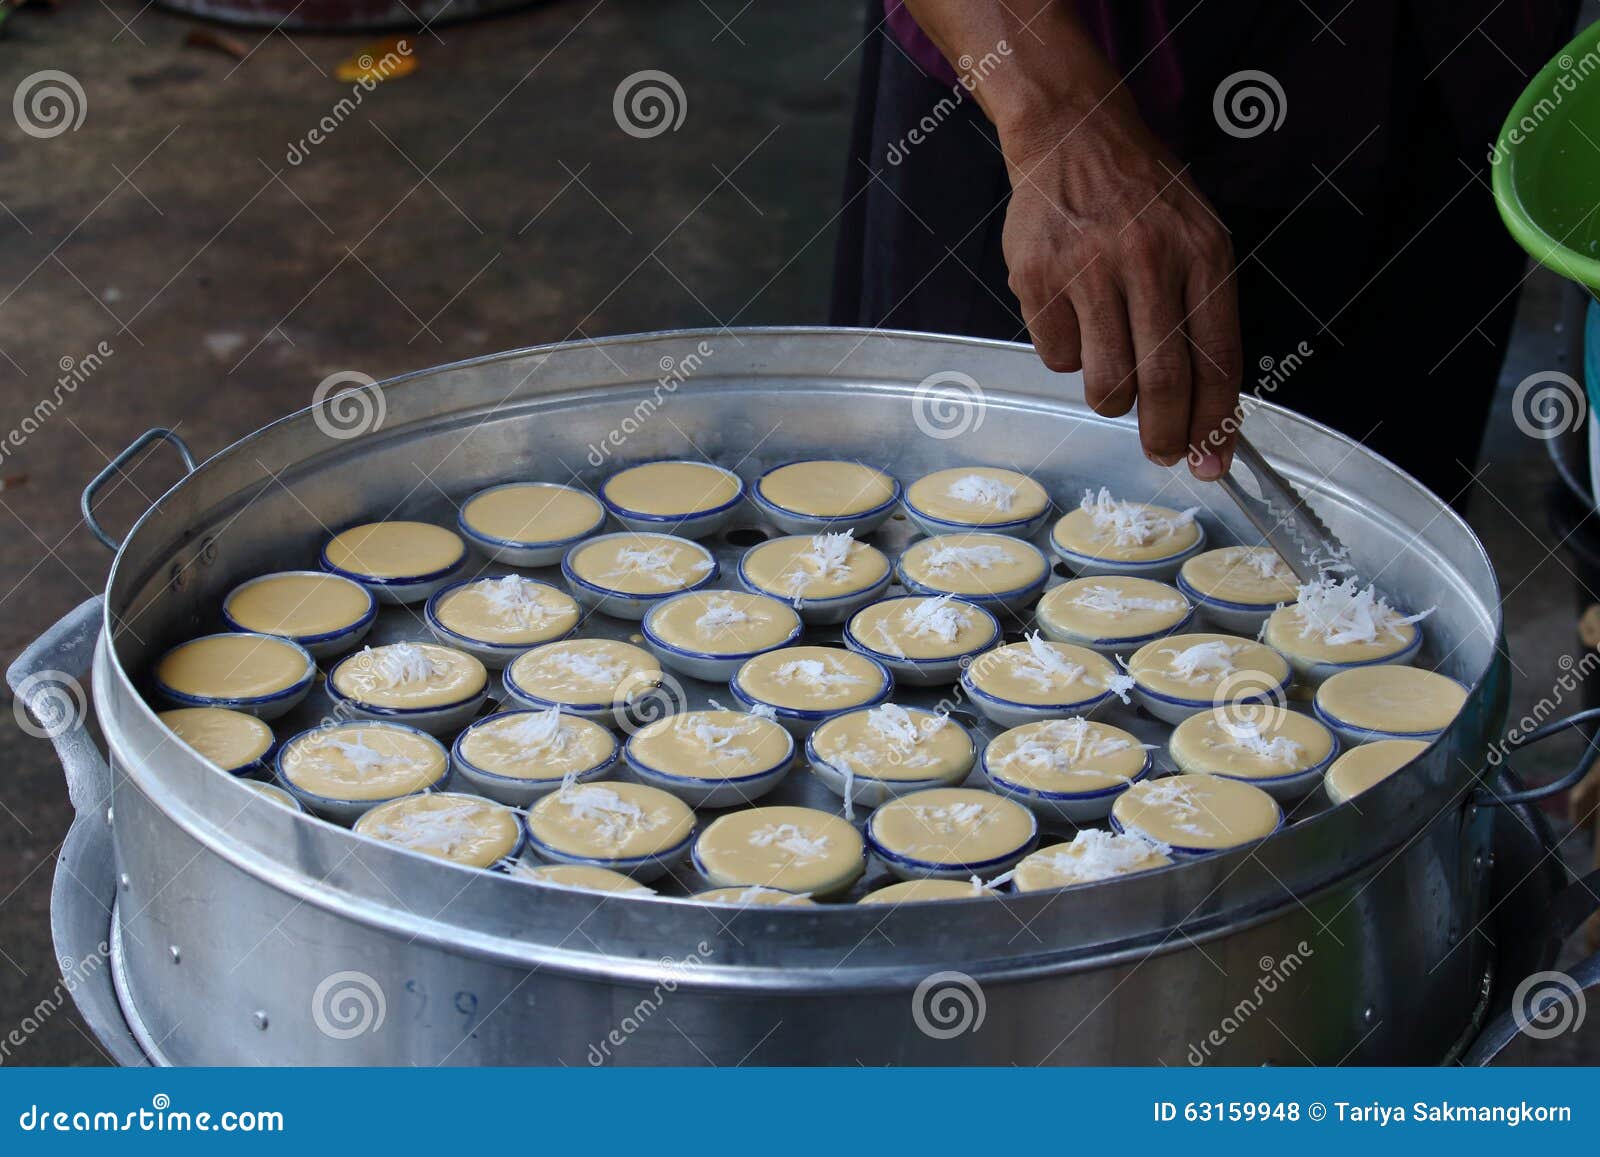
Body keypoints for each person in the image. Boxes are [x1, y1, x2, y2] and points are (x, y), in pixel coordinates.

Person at [832, 0, 1580, 505]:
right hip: (1047, 68)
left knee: (1373, 593)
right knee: (960, 543)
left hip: (1445, 76)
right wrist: (1056, 114)